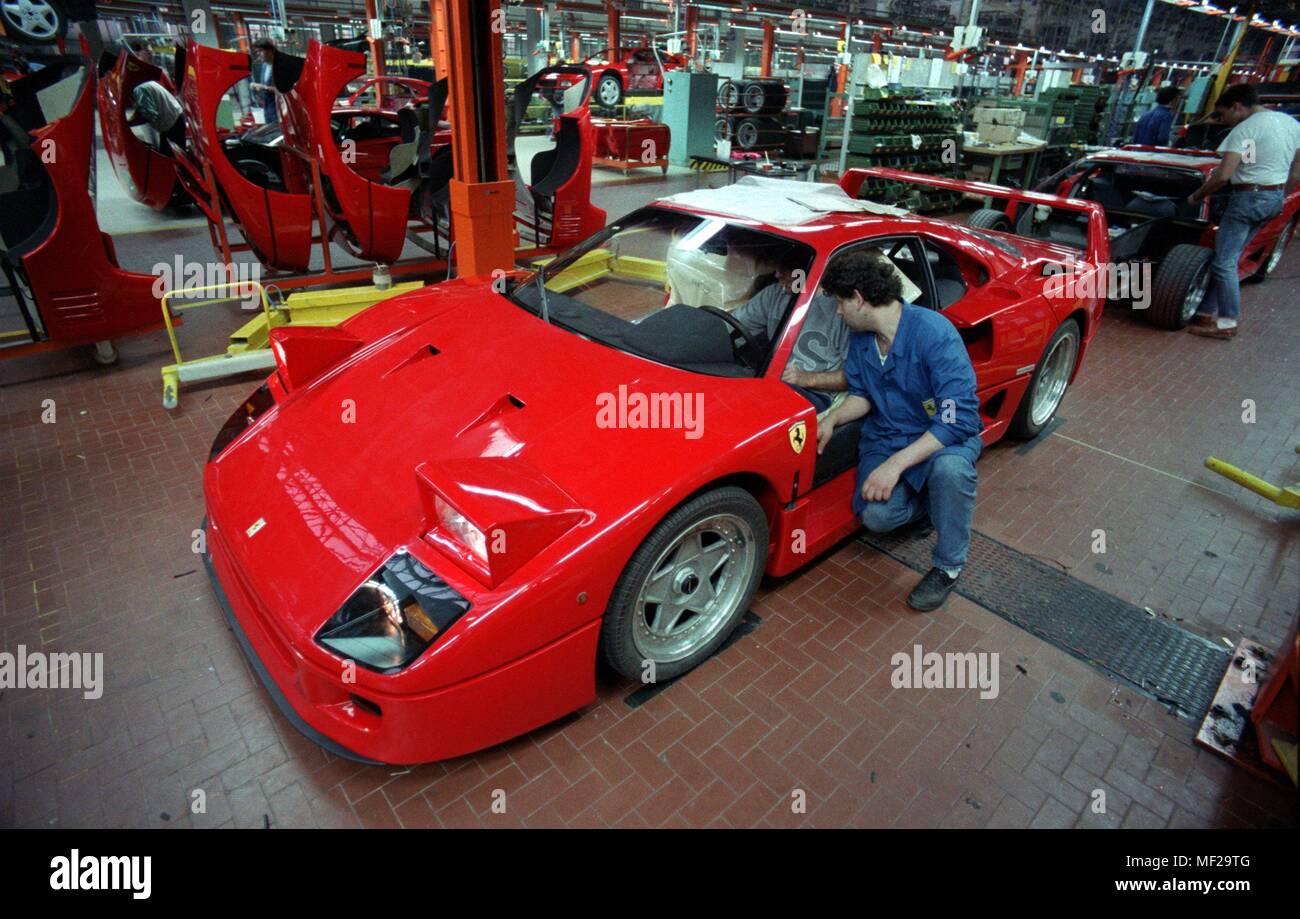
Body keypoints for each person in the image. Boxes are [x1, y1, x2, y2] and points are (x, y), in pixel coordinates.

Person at [815, 250, 982, 612]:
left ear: (859, 298)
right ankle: (924, 508)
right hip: (888, 436)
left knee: (949, 471)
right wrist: (832, 417)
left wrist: (894, 467)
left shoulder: (934, 334)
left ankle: (948, 566)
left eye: (841, 303)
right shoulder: (863, 340)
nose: (839, 312)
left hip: (940, 438)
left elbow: (957, 418)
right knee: (876, 517)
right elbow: (863, 393)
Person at [1186, 83, 1300, 340]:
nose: (1224, 121)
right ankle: (1205, 313)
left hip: (1247, 198)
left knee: (1224, 262)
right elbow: (1296, 171)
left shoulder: (1246, 129)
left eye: (1224, 115)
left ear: (1237, 106)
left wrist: (1197, 196)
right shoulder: (1290, 124)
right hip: (1273, 197)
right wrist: (1277, 195)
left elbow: (1223, 176)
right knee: (1229, 259)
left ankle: (1227, 324)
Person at [731, 250, 849, 412]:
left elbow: (856, 375)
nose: (777, 274)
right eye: (778, 267)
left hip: (813, 394)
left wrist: (806, 379)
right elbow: (732, 325)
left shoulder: (842, 310)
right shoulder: (775, 294)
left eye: (787, 269)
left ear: (811, 270)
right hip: (767, 379)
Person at [127, 80, 185, 153]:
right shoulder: (145, 85)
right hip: (173, 120)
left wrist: (128, 124)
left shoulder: (139, 90)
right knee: (169, 154)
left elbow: (149, 115)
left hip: (172, 124)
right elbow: (141, 109)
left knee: (170, 157)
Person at [248, 38, 280, 125]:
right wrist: (257, 88)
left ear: (270, 51)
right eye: (257, 52)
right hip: (268, 110)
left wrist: (264, 87)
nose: (258, 54)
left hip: (279, 111)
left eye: (260, 51)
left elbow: (284, 90)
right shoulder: (264, 66)